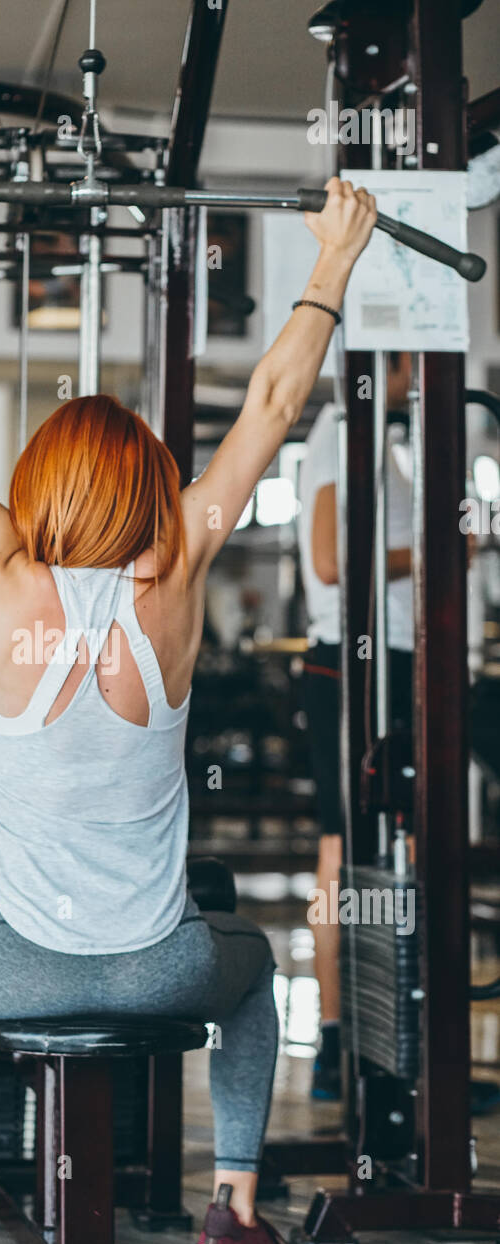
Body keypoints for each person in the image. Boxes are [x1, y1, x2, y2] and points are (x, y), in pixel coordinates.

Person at [0, 163, 377, 1244]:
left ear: (41, 485)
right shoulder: (176, 578)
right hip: (164, 967)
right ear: (150, 491)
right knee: (257, 962)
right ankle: (232, 1211)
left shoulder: (0, 573)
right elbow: (272, 405)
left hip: (18, 966)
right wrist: (333, 256)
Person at [297, 354, 414, 1100]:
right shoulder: (341, 432)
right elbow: (331, 560)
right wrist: (438, 555)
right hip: (358, 662)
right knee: (344, 851)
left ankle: (387, 1049)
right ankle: (340, 1044)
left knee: (384, 850)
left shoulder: (379, 436)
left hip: (389, 661)